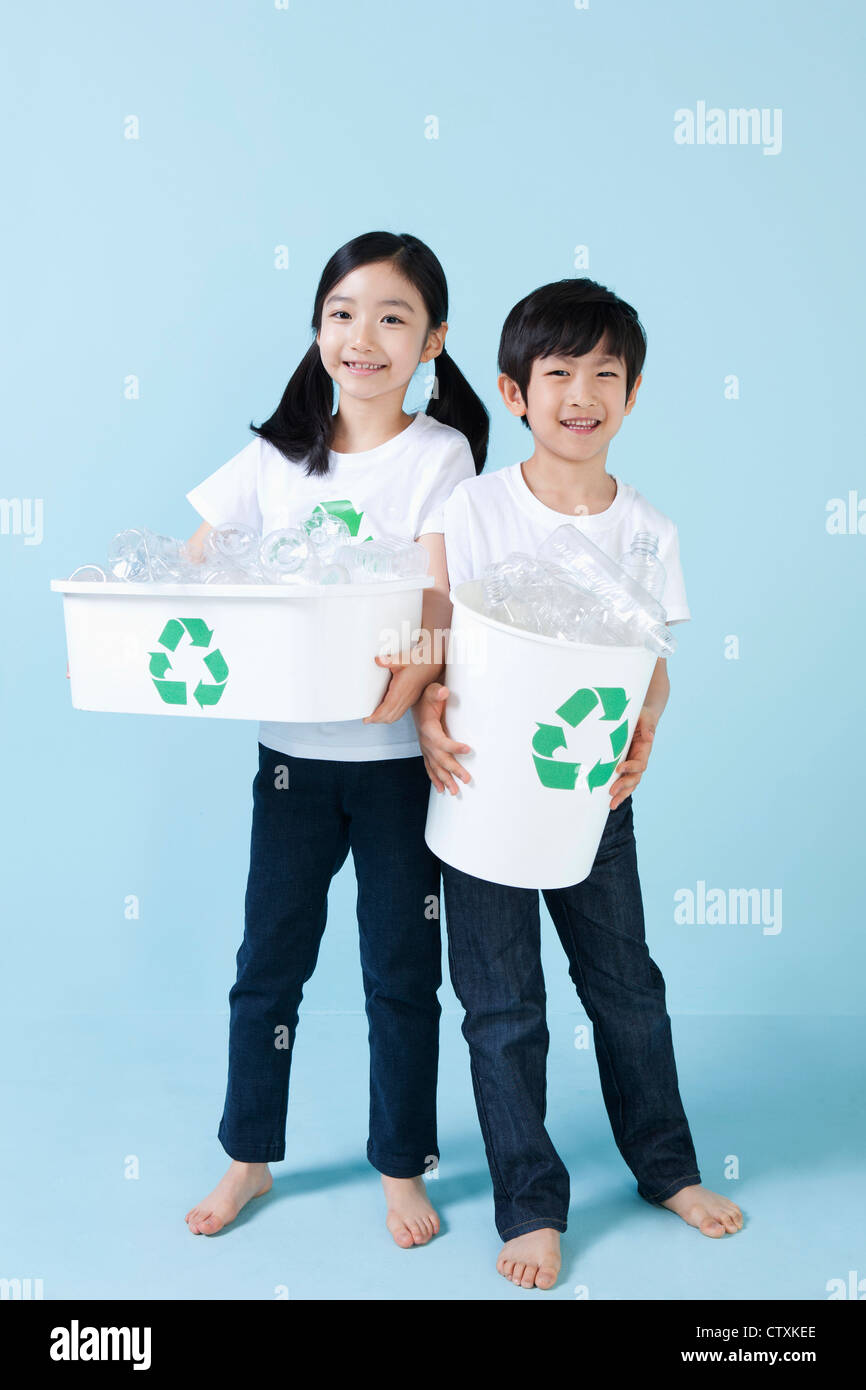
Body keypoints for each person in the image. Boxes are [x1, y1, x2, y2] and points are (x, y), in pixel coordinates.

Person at [415, 278, 743, 1289]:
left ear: (631, 394)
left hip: (592, 802)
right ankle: (529, 1203)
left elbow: (650, 663)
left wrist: (643, 730)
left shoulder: (646, 532)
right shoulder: (470, 508)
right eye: (556, 372)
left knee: (625, 989)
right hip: (478, 795)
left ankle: (667, 1168)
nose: (580, 392)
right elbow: (426, 627)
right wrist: (426, 701)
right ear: (515, 393)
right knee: (501, 1005)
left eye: (605, 372)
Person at [183, 230, 488, 1247]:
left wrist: (401, 686)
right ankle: (248, 1157)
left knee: (401, 971)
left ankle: (401, 1166)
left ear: (431, 341)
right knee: (269, 964)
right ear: (318, 330)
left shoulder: (438, 455)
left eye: (393, 317)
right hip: (289, 766)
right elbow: (194, 561)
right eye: (343, 313)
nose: (363, 335)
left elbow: (441, 598)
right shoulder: (274, 456)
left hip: (399, 769)